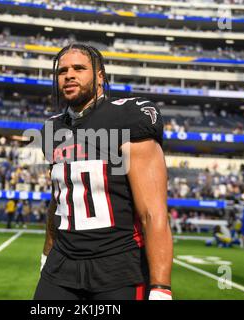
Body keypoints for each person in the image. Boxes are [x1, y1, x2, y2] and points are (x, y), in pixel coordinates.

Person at [34, 43, 173, 300]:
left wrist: (161, 286)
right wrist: (46, 253)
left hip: (117, 264)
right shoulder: (52, 129)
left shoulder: (128, 116)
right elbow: (59, 202)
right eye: (62, 70)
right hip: (62, 264)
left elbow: (153, 212)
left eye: (79, 68)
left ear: (100, 76)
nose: (69, 75)